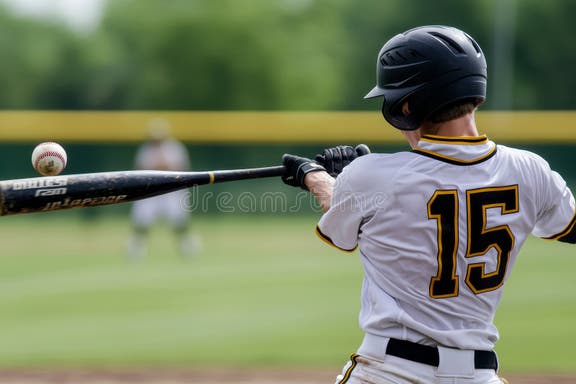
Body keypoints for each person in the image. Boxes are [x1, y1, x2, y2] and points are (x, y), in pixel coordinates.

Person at [281, 25, 576, 384]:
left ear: (406, 106)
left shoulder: (370, 176)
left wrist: (314, 176)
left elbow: (344, 228)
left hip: (387, 372)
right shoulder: (530, 171)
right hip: (479, 376)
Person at [127, 117, 200, 261]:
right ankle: (136, 248)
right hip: (151, 191)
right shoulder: (146, 149)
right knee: (142, 220)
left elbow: (181, 168)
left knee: (179, 222)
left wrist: (162, 166)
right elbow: (141, 169)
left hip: (171, 191)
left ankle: (186, 246)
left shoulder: (175, 148)